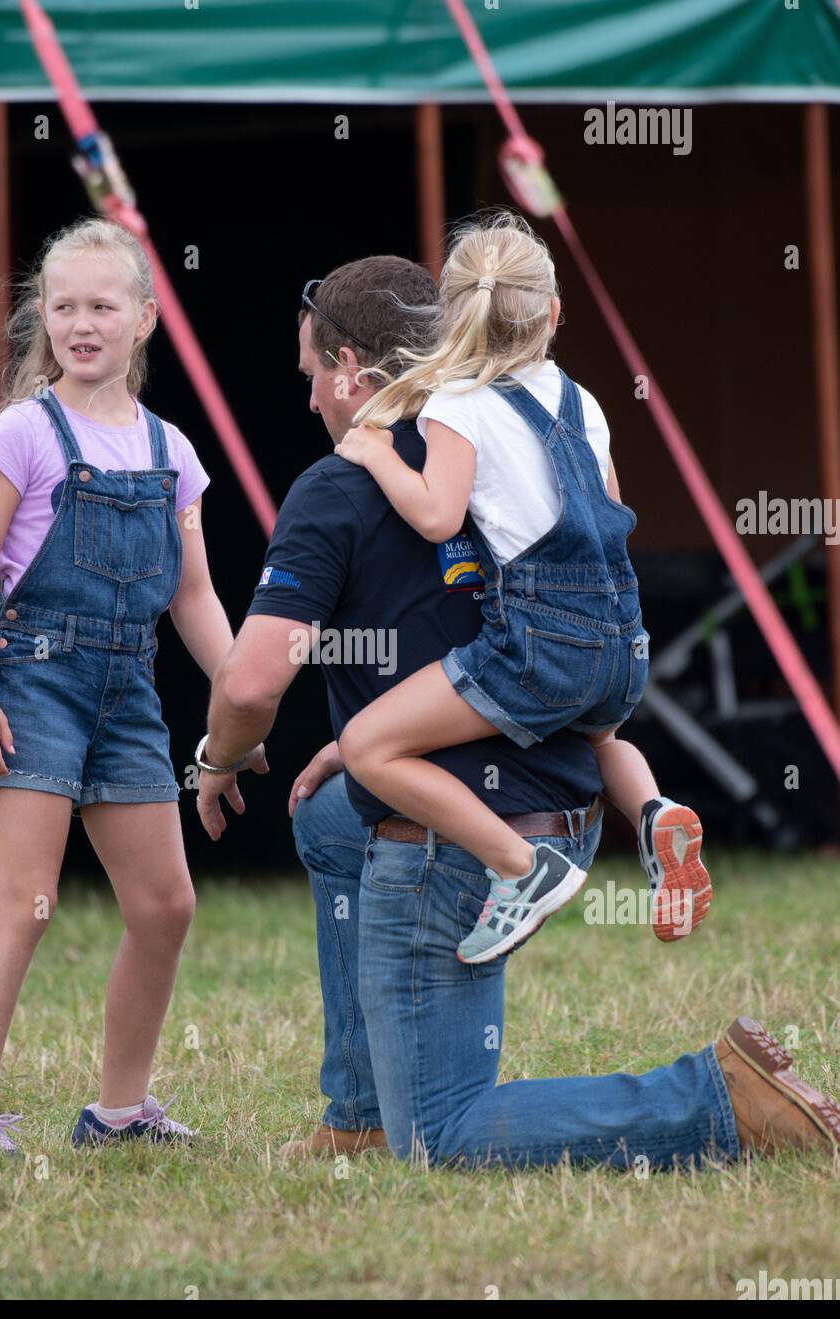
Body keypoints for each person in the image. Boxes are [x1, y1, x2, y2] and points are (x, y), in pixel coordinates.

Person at [193, 254, 840, 1167]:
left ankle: (717, 1101)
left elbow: (252, 682)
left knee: (445, 1135)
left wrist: (217, 760)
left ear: (349, 369)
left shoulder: (340, 484)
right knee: (330, 820)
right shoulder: (521, 439)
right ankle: (360, 1113)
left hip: (456, 847)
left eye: (310, 378)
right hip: (571, 797)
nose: (308, 405)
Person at [0, 216, 266, 1160]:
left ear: (145, 319)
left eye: (102, 306)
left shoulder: (173, 454)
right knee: (26, 900)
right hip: (31, 682)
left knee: (165, 905)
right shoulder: (22, 432)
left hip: (130, 693)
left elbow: (193, 596)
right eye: (64, 305)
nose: (82, 322)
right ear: (45, 316)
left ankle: (119, 1112)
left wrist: (246, 688)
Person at [334, 212, 709, 965]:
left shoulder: (456, 406)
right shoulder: (583, 404)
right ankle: (655, 809)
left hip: (539, 648)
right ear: (553, 313)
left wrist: (376, 452)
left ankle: (520, 867)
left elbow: (439, 517)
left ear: (456, 314)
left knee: (367, 745)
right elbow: (608, 509)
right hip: (619, 644)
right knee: (602, 737)